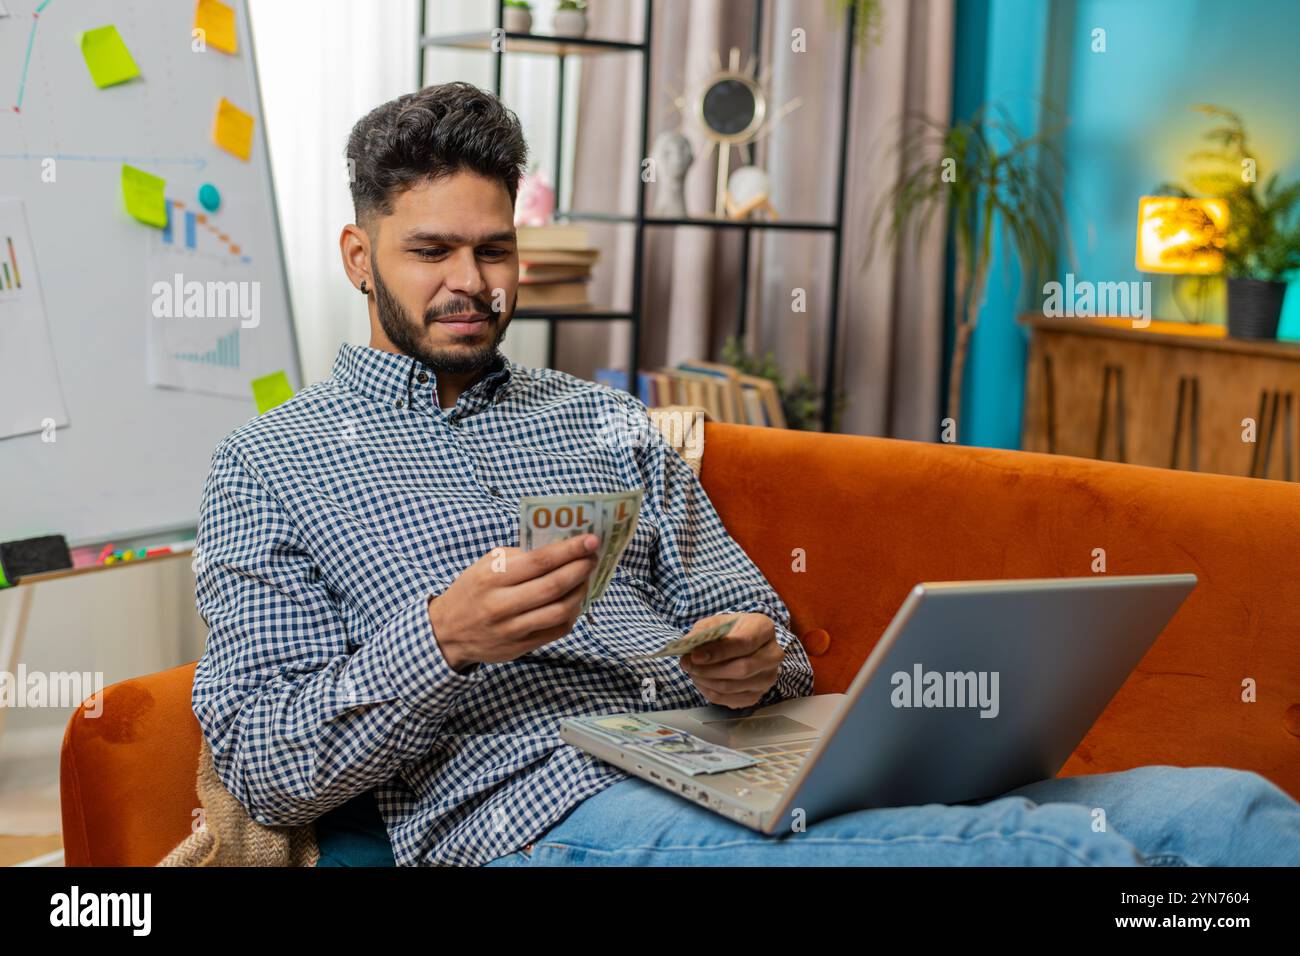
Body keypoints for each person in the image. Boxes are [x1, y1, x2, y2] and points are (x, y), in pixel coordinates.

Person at [190, 82, 1300, 867]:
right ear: (358, 257)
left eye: (493, 250)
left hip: (726, 760)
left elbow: (756, 624)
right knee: (1061, 854)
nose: (470, 281)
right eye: (430, 252)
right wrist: (441, 640)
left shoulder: (607, 424)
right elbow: (267, 764)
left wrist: (748, 660)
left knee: (1233, 810)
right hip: (536, 810)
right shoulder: (268, 467)